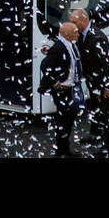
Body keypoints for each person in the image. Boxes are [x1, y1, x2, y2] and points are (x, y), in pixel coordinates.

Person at [72, 8, 109, 157]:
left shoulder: (97, 38)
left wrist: (108, 87)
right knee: (95, 108)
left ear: (84, 20)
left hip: (103, 83)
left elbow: (108, 64)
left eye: (74, 22)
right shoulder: (82, 35)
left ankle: (108, 147)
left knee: (107, 115)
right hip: (93, 81)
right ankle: (94, 134)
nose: (73, 25)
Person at [38, 21, 85, 157]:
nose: (77, 34)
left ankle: (64, 148)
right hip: (61, 90)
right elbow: (44, 66)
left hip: (71, 88)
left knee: (69, 118)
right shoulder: (58, 48)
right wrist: (55, 82)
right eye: (75, 32)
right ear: (66, 34)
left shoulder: (71, 45)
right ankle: (60, 150)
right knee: (63, 120)